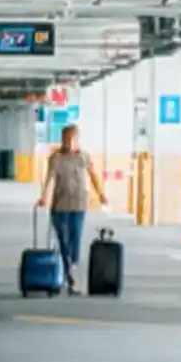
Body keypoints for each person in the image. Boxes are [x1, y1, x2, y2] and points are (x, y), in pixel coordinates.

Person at [37, 124, 108, 295]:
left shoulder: (83, 157)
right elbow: (49, 178)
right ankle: (67, 274)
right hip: (59, 206)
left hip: (78, 205)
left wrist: (101, 194)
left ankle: (70, 272)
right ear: (62, 140)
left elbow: (93, 175)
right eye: (66, 139)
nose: (70, 143)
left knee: (75, 239)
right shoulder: (55, 158)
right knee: (64, 240)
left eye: (73, 139)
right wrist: (44, 196)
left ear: (78, 141)